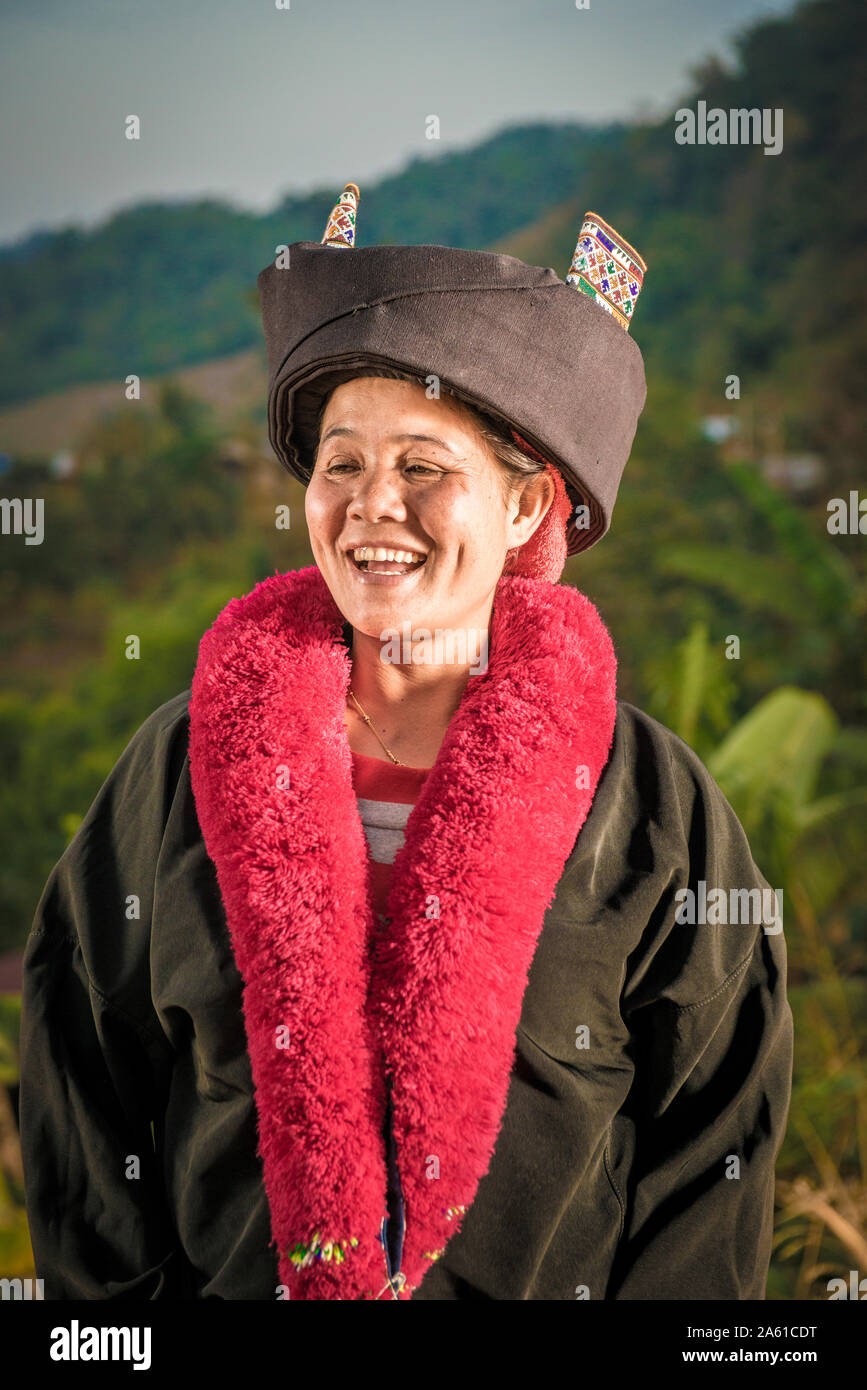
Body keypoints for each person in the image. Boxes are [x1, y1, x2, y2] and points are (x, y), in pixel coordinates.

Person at [18, 185, 793, 1301]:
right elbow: (83, 1087)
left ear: (528, 508)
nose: (371, 504)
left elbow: (713, 1146)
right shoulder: (181, 766)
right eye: (341, 463)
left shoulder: (649, 804)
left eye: (424, 466)